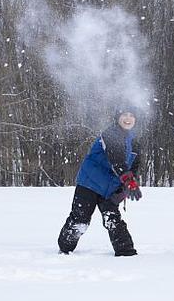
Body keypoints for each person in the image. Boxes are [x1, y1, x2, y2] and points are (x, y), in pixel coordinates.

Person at [58, 107, 143, 256]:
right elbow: (116, 160)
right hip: (89, 183)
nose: (128, 118)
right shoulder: (110, 134)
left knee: (113, 219)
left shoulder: (135, 142)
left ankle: (127, 254)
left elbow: (133, 167)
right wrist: (128, 180)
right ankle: (64, 250)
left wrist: (126, 186)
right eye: (124, 114)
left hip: (111, 188)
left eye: (131, 115)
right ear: (118, 117)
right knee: (80, 220)